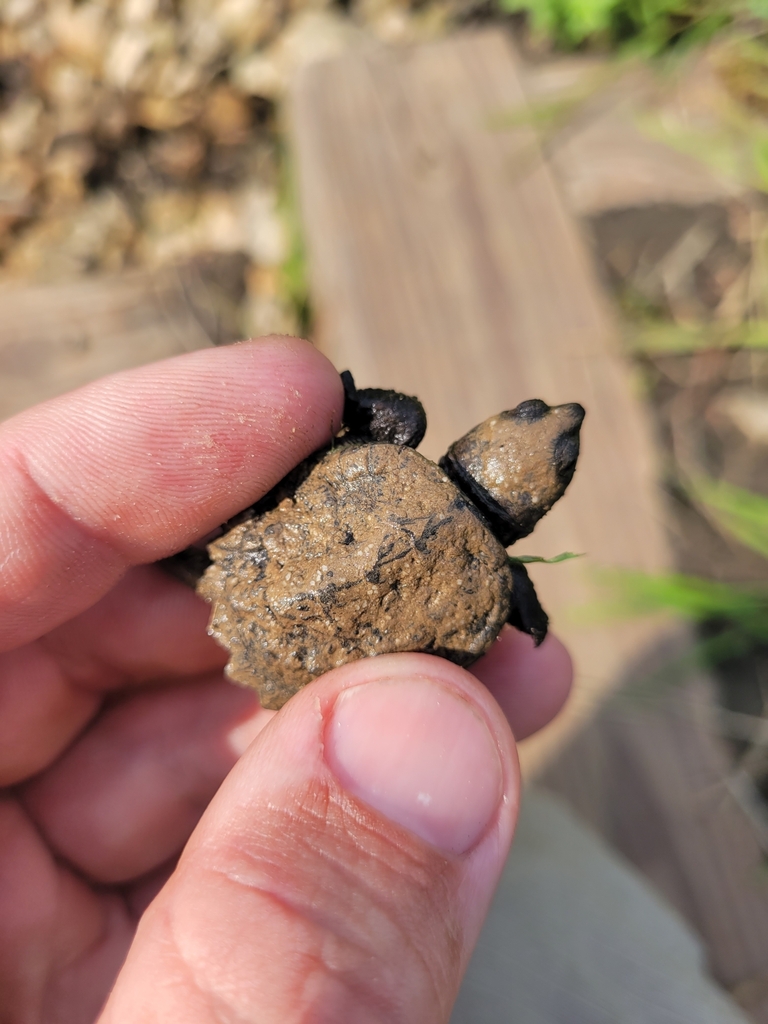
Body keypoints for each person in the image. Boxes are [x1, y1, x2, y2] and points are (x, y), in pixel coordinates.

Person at [0, 337, 572, 1023]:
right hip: (303, 678)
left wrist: (345, 406)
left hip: (247, 575)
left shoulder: (399, 449)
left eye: (553, 444)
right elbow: (520, 614)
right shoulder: (495, 586)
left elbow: (370, 411)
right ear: (534, 511)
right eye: (538, 414)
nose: (566, 416)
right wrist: (525, 614)